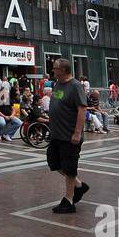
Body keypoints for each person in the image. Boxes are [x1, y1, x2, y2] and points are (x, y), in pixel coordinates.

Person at [46, 57, 90, 213]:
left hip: (69, 135)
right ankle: (79, 185)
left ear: (64, 70)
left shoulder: (75, 86)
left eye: (55, 68)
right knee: (54, 162)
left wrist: (77, 132)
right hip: (56, 134)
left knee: (70, 168)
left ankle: (69, 200)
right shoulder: (58, 84)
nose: (53, 70)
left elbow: (82, 109)